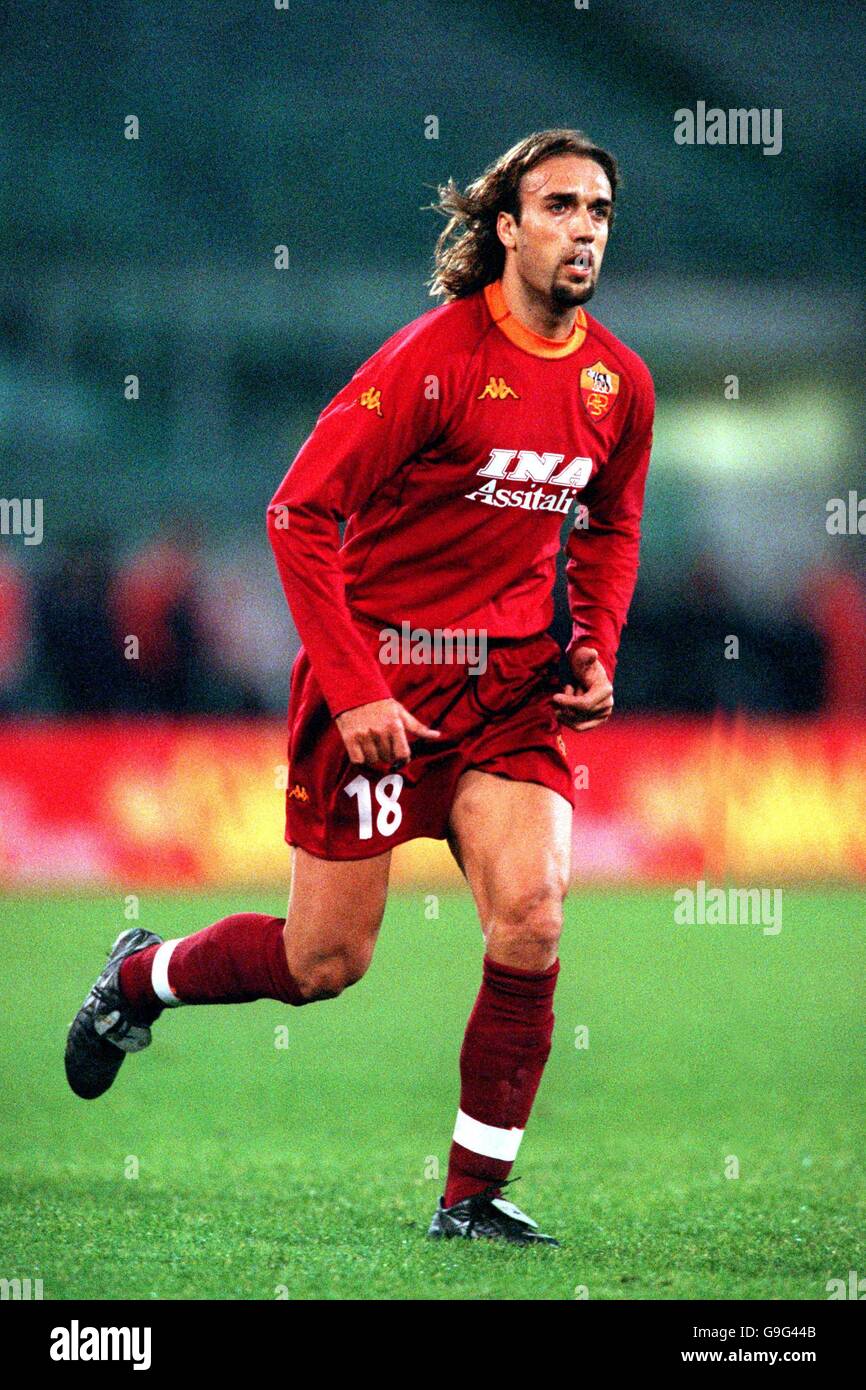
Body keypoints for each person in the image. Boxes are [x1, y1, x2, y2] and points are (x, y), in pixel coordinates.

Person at [66, 129, 655, 1246]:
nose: (583, 230)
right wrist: (354, 691)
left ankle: (469, 1197)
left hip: (512, 693)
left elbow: (614, 521)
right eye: (560, 207)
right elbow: (298, 514)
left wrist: (597, 646)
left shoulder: (614, 382)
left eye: (598, 211)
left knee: (530, 919)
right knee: (320, 962)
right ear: (506, 228)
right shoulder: (431, 361)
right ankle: (141, 977)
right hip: (382, 685)